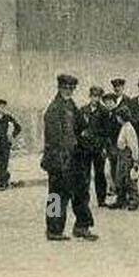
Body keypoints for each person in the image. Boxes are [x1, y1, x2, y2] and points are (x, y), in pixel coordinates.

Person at [42, 73, 96, 240]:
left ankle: (82, 226)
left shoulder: (71, 105)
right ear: (59, 88)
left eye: (71, 89)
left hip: (74, 157)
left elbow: (82, 125)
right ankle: (53, 230)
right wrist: (62, 158)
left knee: (81, 192)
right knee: (56, 196)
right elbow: (55, 139)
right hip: (58, 159)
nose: (69, 91)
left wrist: (84, 138)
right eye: (65, 88)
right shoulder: (54, 109)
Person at [105, 94, 139, 210]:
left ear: (122, 117)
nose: (117, 119)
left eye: (118, 117)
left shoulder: (129, 128)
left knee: (129, 179)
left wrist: (135, 161)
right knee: (119, 178)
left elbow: (134, 146)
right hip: (121, 155)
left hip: (127, 156)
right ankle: (121, 200)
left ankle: (134, 200)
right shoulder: (124, 127)